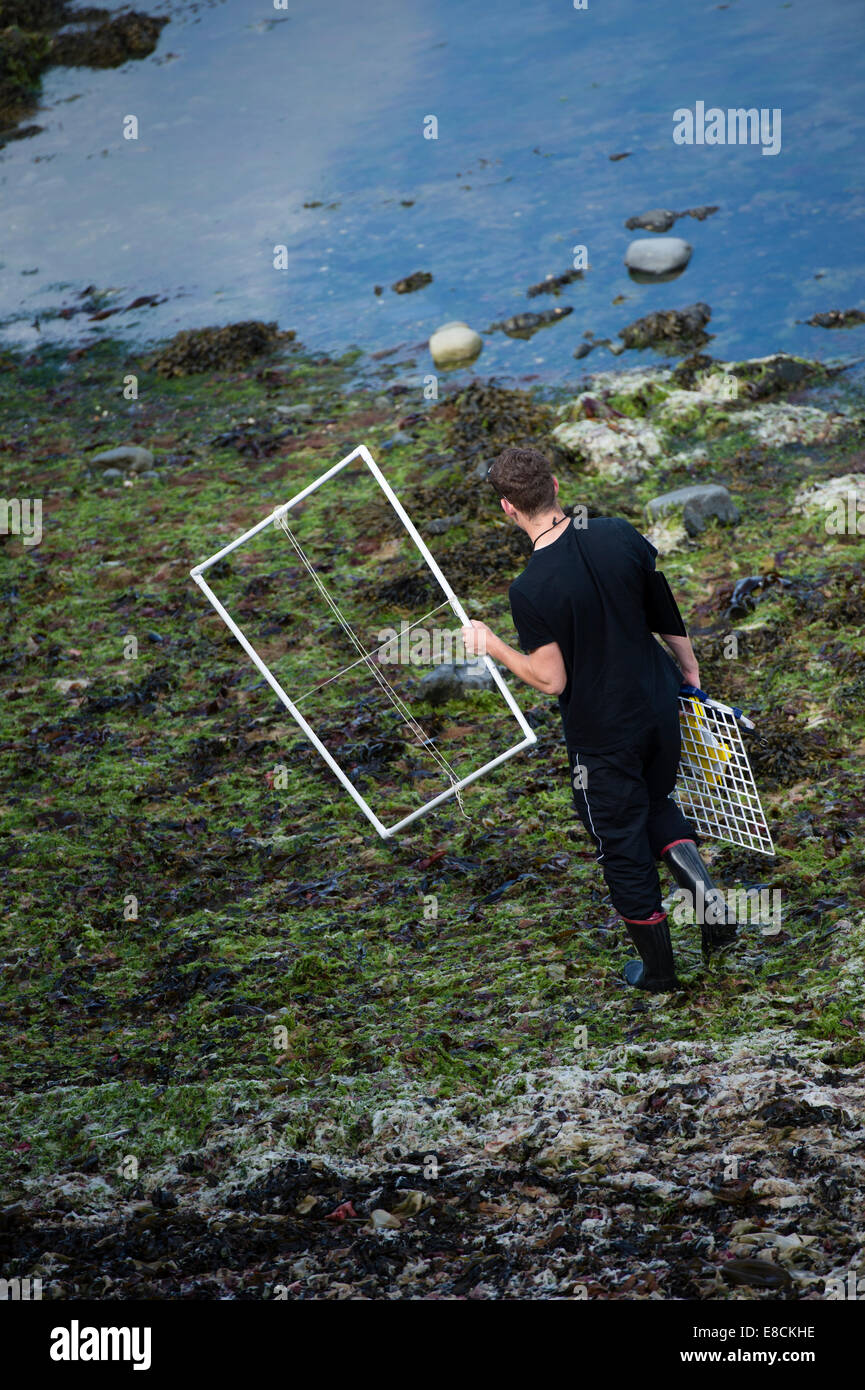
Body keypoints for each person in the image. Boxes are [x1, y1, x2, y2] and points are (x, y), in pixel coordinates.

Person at [460, 446, 735, 992]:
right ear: (556, 485)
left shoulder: (530, 588)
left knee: (620, 845)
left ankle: (659, 972)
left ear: (508, 509)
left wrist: (492, 645)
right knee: (654, 803)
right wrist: (689, 670)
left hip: (604, 735)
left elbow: (550, 679)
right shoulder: (617, 533)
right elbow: (662, 604)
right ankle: (714, 913)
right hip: (659, 706)